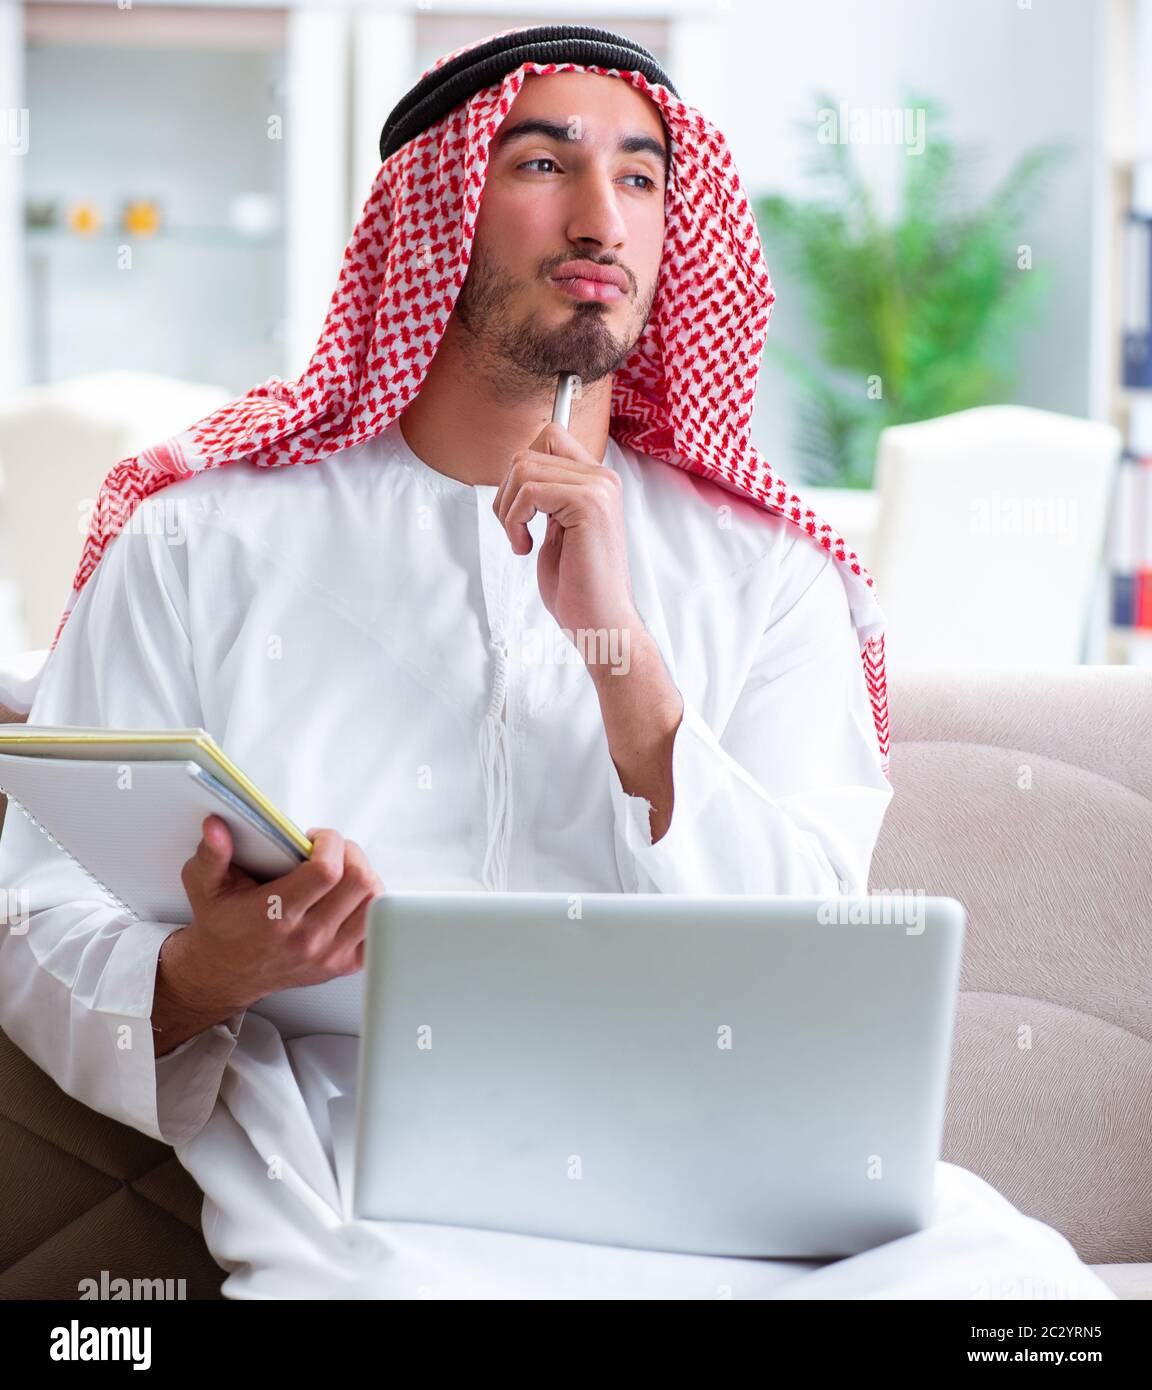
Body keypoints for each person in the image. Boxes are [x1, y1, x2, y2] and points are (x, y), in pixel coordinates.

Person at [0, 25, 1113, 1299]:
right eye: (545, 164)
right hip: (379, 1198)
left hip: (755, 1174)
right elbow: (33, 906)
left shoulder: (766, 567)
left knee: (1028, 1304)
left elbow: (828, 949)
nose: (603, 220)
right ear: (436, 213)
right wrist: (207, 971)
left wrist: (626, 666)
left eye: (642, 178)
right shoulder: (203, 536)